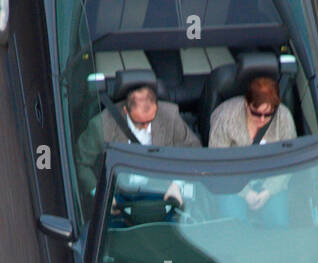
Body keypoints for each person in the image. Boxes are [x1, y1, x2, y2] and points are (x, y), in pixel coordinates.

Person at [76, 81, 201, 206]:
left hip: (163, 190)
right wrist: (101, 196)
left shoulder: (170, 116)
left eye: (150, 120)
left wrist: (177, 185)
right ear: (126, 110)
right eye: (140, 123)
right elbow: (81, 163)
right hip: (118, 193)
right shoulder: (101, 126)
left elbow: (193, 150)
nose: (146, 127)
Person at [208, 76, 296, 226]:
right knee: (233, 227)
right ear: (246, 105)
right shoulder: (226, 118)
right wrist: (245, 192)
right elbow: (218, 163)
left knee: (280, 225)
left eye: (268, 114)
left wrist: (268, 191)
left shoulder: (284, 117)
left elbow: (289, 159)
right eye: (256, 113)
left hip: (270, 180)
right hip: (233, 182)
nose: (262, 120)